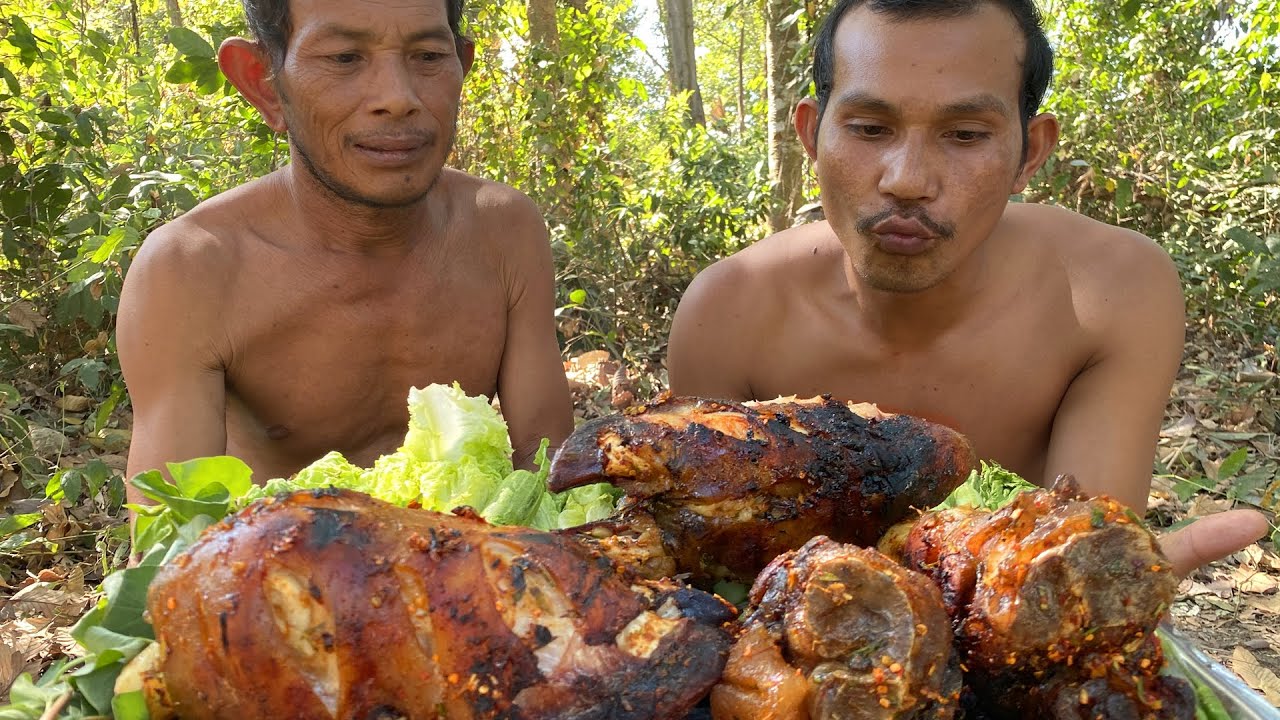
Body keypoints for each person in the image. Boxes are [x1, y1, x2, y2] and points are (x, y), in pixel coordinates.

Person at [666, 0, 1268, 576]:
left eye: (966, 135)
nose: (907, 181)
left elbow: (1075, 562)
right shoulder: (727, 315)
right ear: (810, 133)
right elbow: (713, 568)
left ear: (1029, 154)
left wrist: (1100, 589)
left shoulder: (1110, 294)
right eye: (871, 127)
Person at [117, 0, 573, 500]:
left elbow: (550, 475)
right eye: (343, 58)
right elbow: (172, 539)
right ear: (264, 83)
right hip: (273, 568)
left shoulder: (504, 232)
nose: (397, 98)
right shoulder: (193, 268)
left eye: (426, 56)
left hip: (472, 563)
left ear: (461, 67)